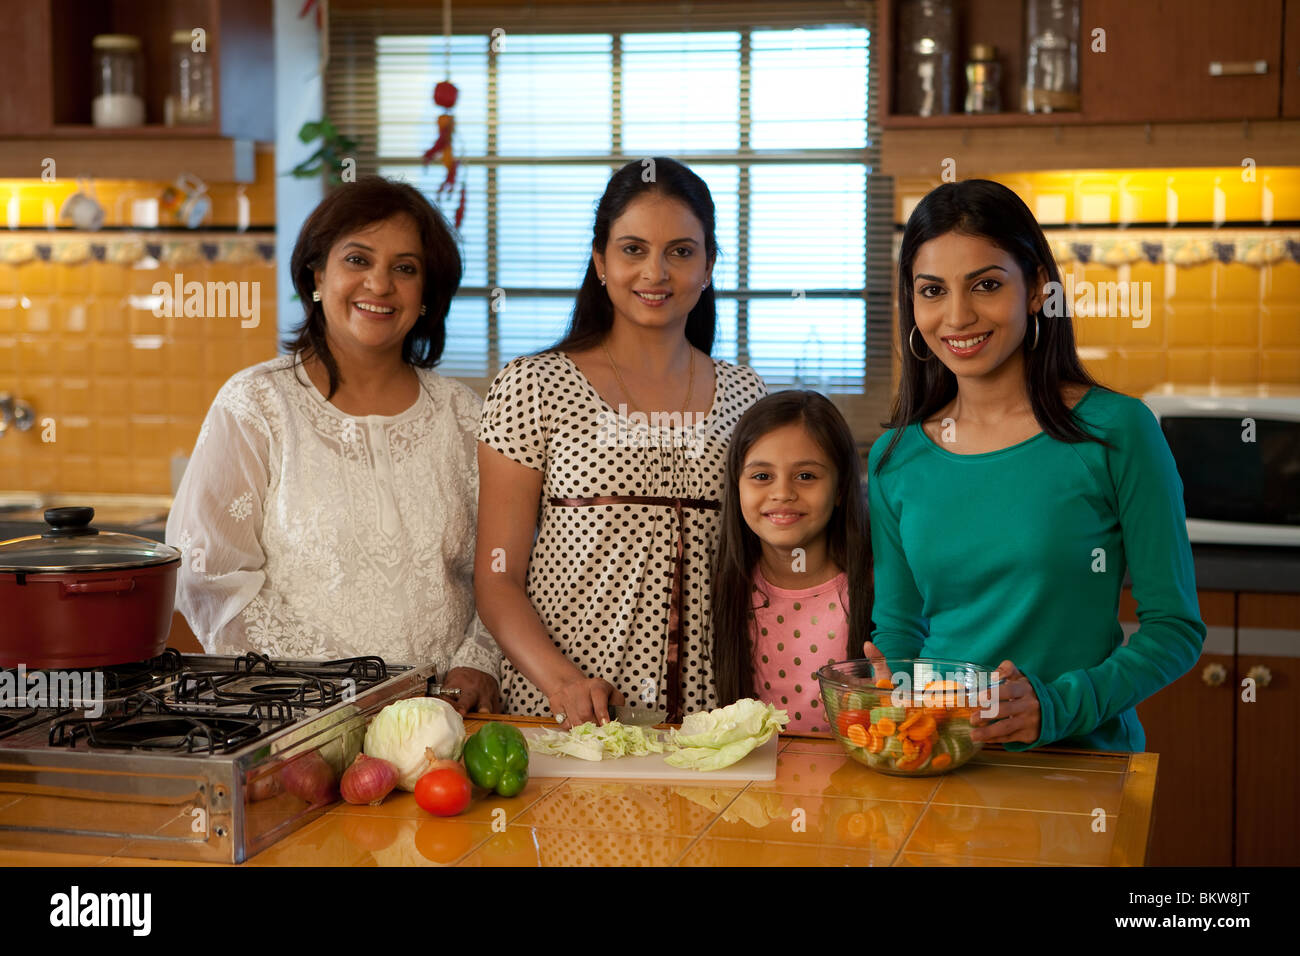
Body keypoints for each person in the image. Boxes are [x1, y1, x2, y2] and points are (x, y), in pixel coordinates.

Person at [866, 178, 1204, 751]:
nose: (957, 316)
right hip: (941, 768)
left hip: (1079, 771)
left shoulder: (1117, 432)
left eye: (986, 285)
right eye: (932, 291)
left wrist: (1055, 707)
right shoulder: (895, 458)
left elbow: (1175, 630)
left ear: (1036, 291)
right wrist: (892, 692)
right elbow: (900, 629)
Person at [166, 176, 501, 713]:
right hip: (298, 727)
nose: (380, 284)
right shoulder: (257, 405)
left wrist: (477, 659)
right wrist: (351, 691)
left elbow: (506, 567)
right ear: (318, 273)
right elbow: (210, 579)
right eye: (357, 260)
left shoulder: (465, 415)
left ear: (427, 294)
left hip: (448, 727)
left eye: (405, 268)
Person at [476, 157, 767, 728]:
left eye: (680, 251)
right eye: (633, 249)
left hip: (712, 715)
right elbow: (497, 574)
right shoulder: (533, 386)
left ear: (708, 265)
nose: (655, 272)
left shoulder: (746, 394)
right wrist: (562, 683)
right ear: (600, 262)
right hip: (566, 709)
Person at [711, 391, 873, 733]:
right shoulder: (729, 587)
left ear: (841, 488)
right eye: (761, 476)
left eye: (806, 476)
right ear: (736, 486)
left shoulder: (877, 587)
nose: (782, 493)